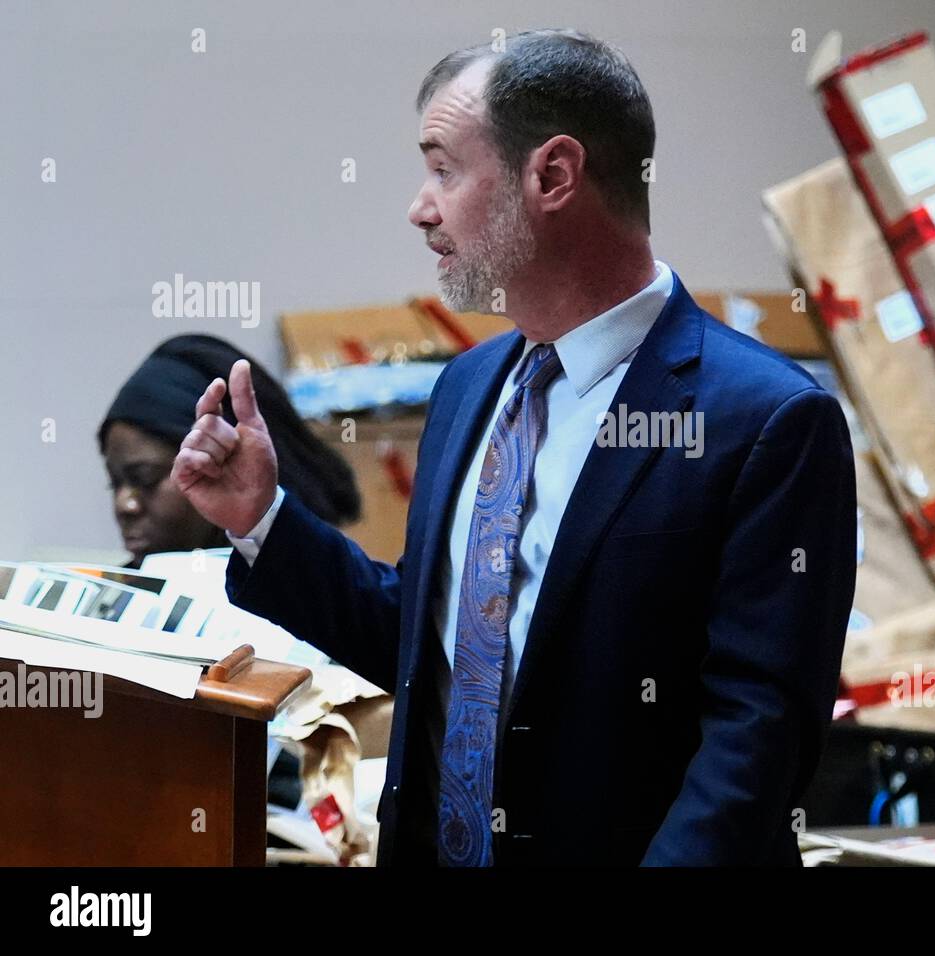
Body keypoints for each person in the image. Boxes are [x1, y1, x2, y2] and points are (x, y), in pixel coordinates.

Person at [171, 29, 856, 866]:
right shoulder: (468, 387)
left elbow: (756, 742)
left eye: (443, 168)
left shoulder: (767, 420)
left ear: (553, 175)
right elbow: (433, 643)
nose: (420, 207)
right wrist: (262, 518)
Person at [100, 334, 360, 569]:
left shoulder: (301, 598)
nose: (125, 505)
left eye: (145, 479)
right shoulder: (112, 600)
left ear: (223, 465)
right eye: (114, 484)